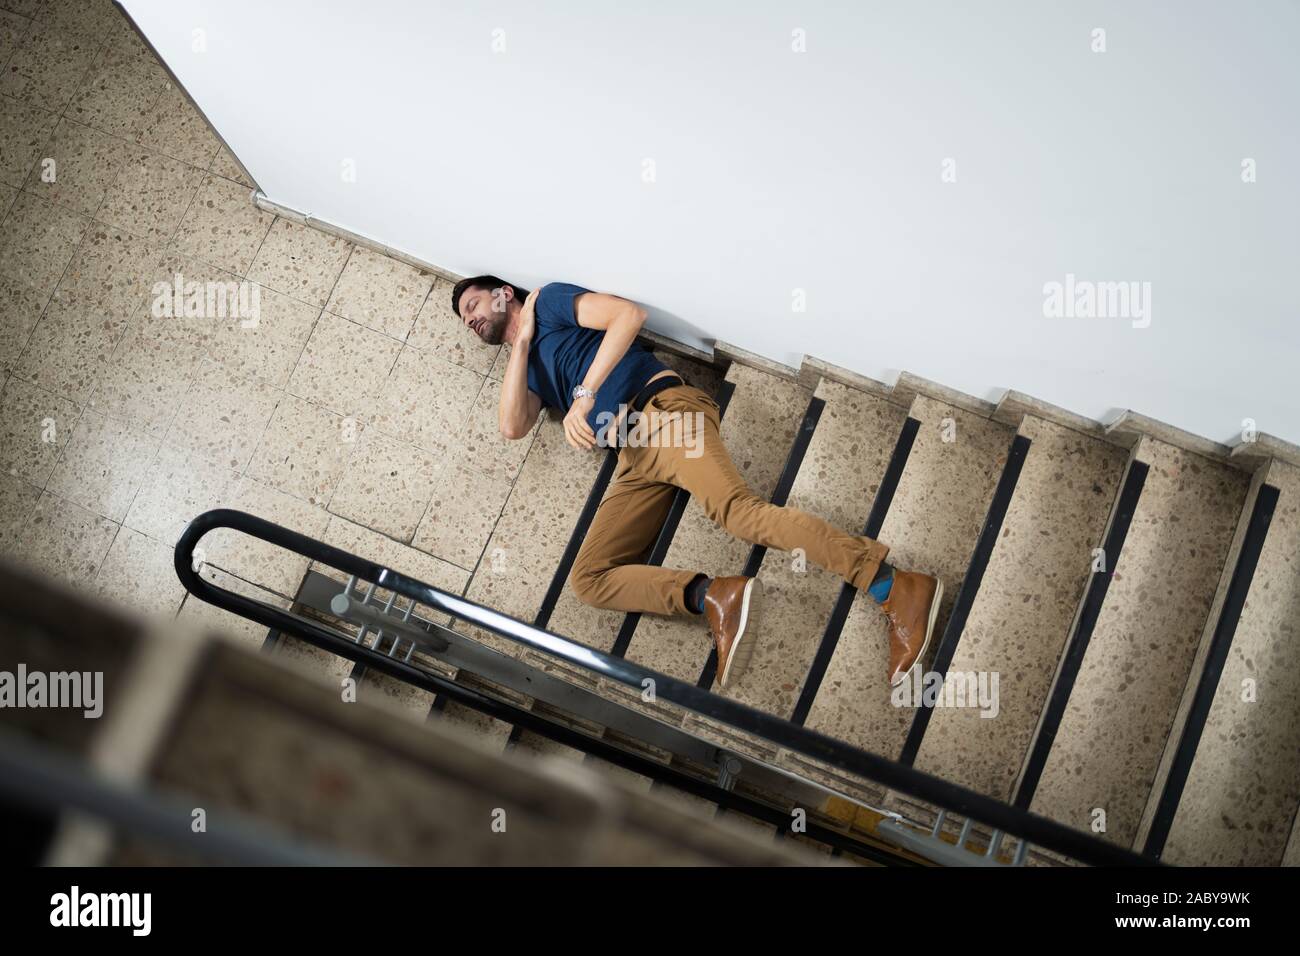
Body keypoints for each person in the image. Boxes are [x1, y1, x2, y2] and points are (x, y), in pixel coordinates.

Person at [452, 276, 943, 689]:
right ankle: (712, 596)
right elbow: (512, 426)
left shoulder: (552, 300)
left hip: (661, 415)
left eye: (473, 304)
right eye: (464, 319)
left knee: (739, 513)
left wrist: (583, 395)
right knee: (589, 579)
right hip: (635, 454)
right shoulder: (528, 362)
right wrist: (519, 345)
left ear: (503, 293)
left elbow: (628, 316)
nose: (471, 319)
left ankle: (892, 584)